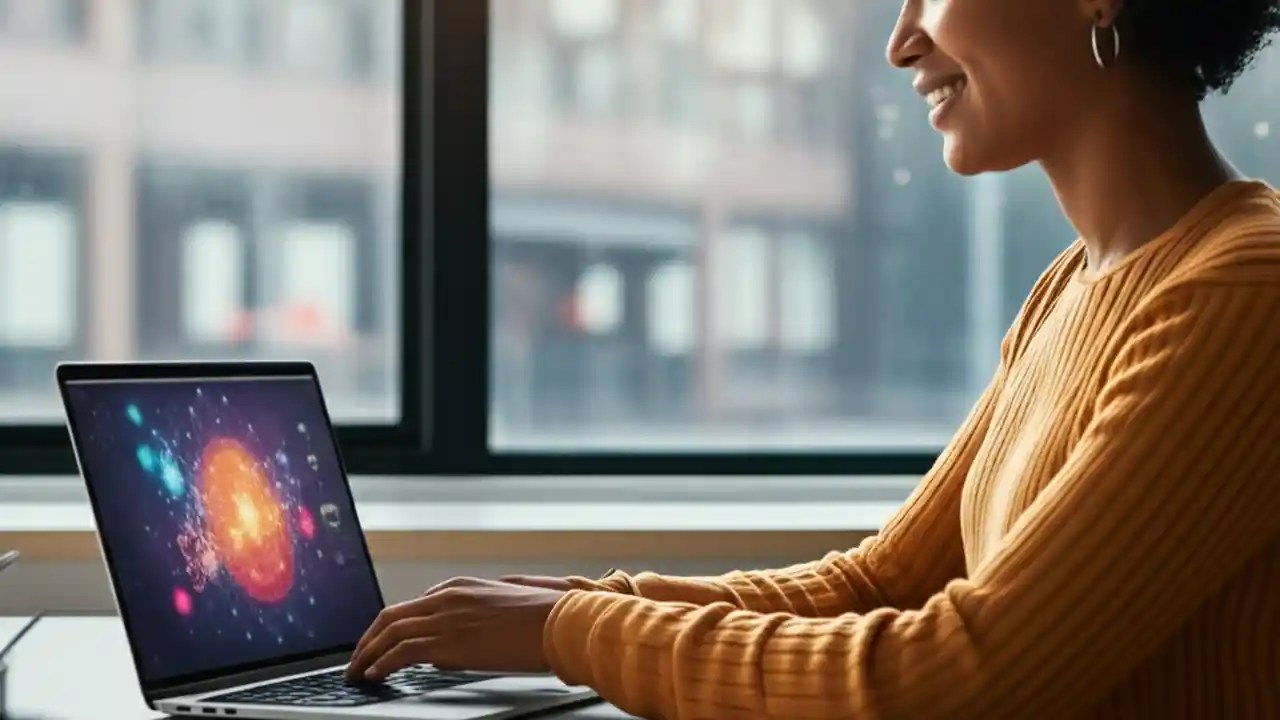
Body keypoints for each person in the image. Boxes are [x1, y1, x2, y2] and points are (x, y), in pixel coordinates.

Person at [347, 0, 1280, 716]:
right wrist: (572, 603)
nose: (902, 42)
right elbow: (875, 586)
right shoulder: (1072, 289)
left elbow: (953, 678)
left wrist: (570, 631)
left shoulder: (1245, 294)